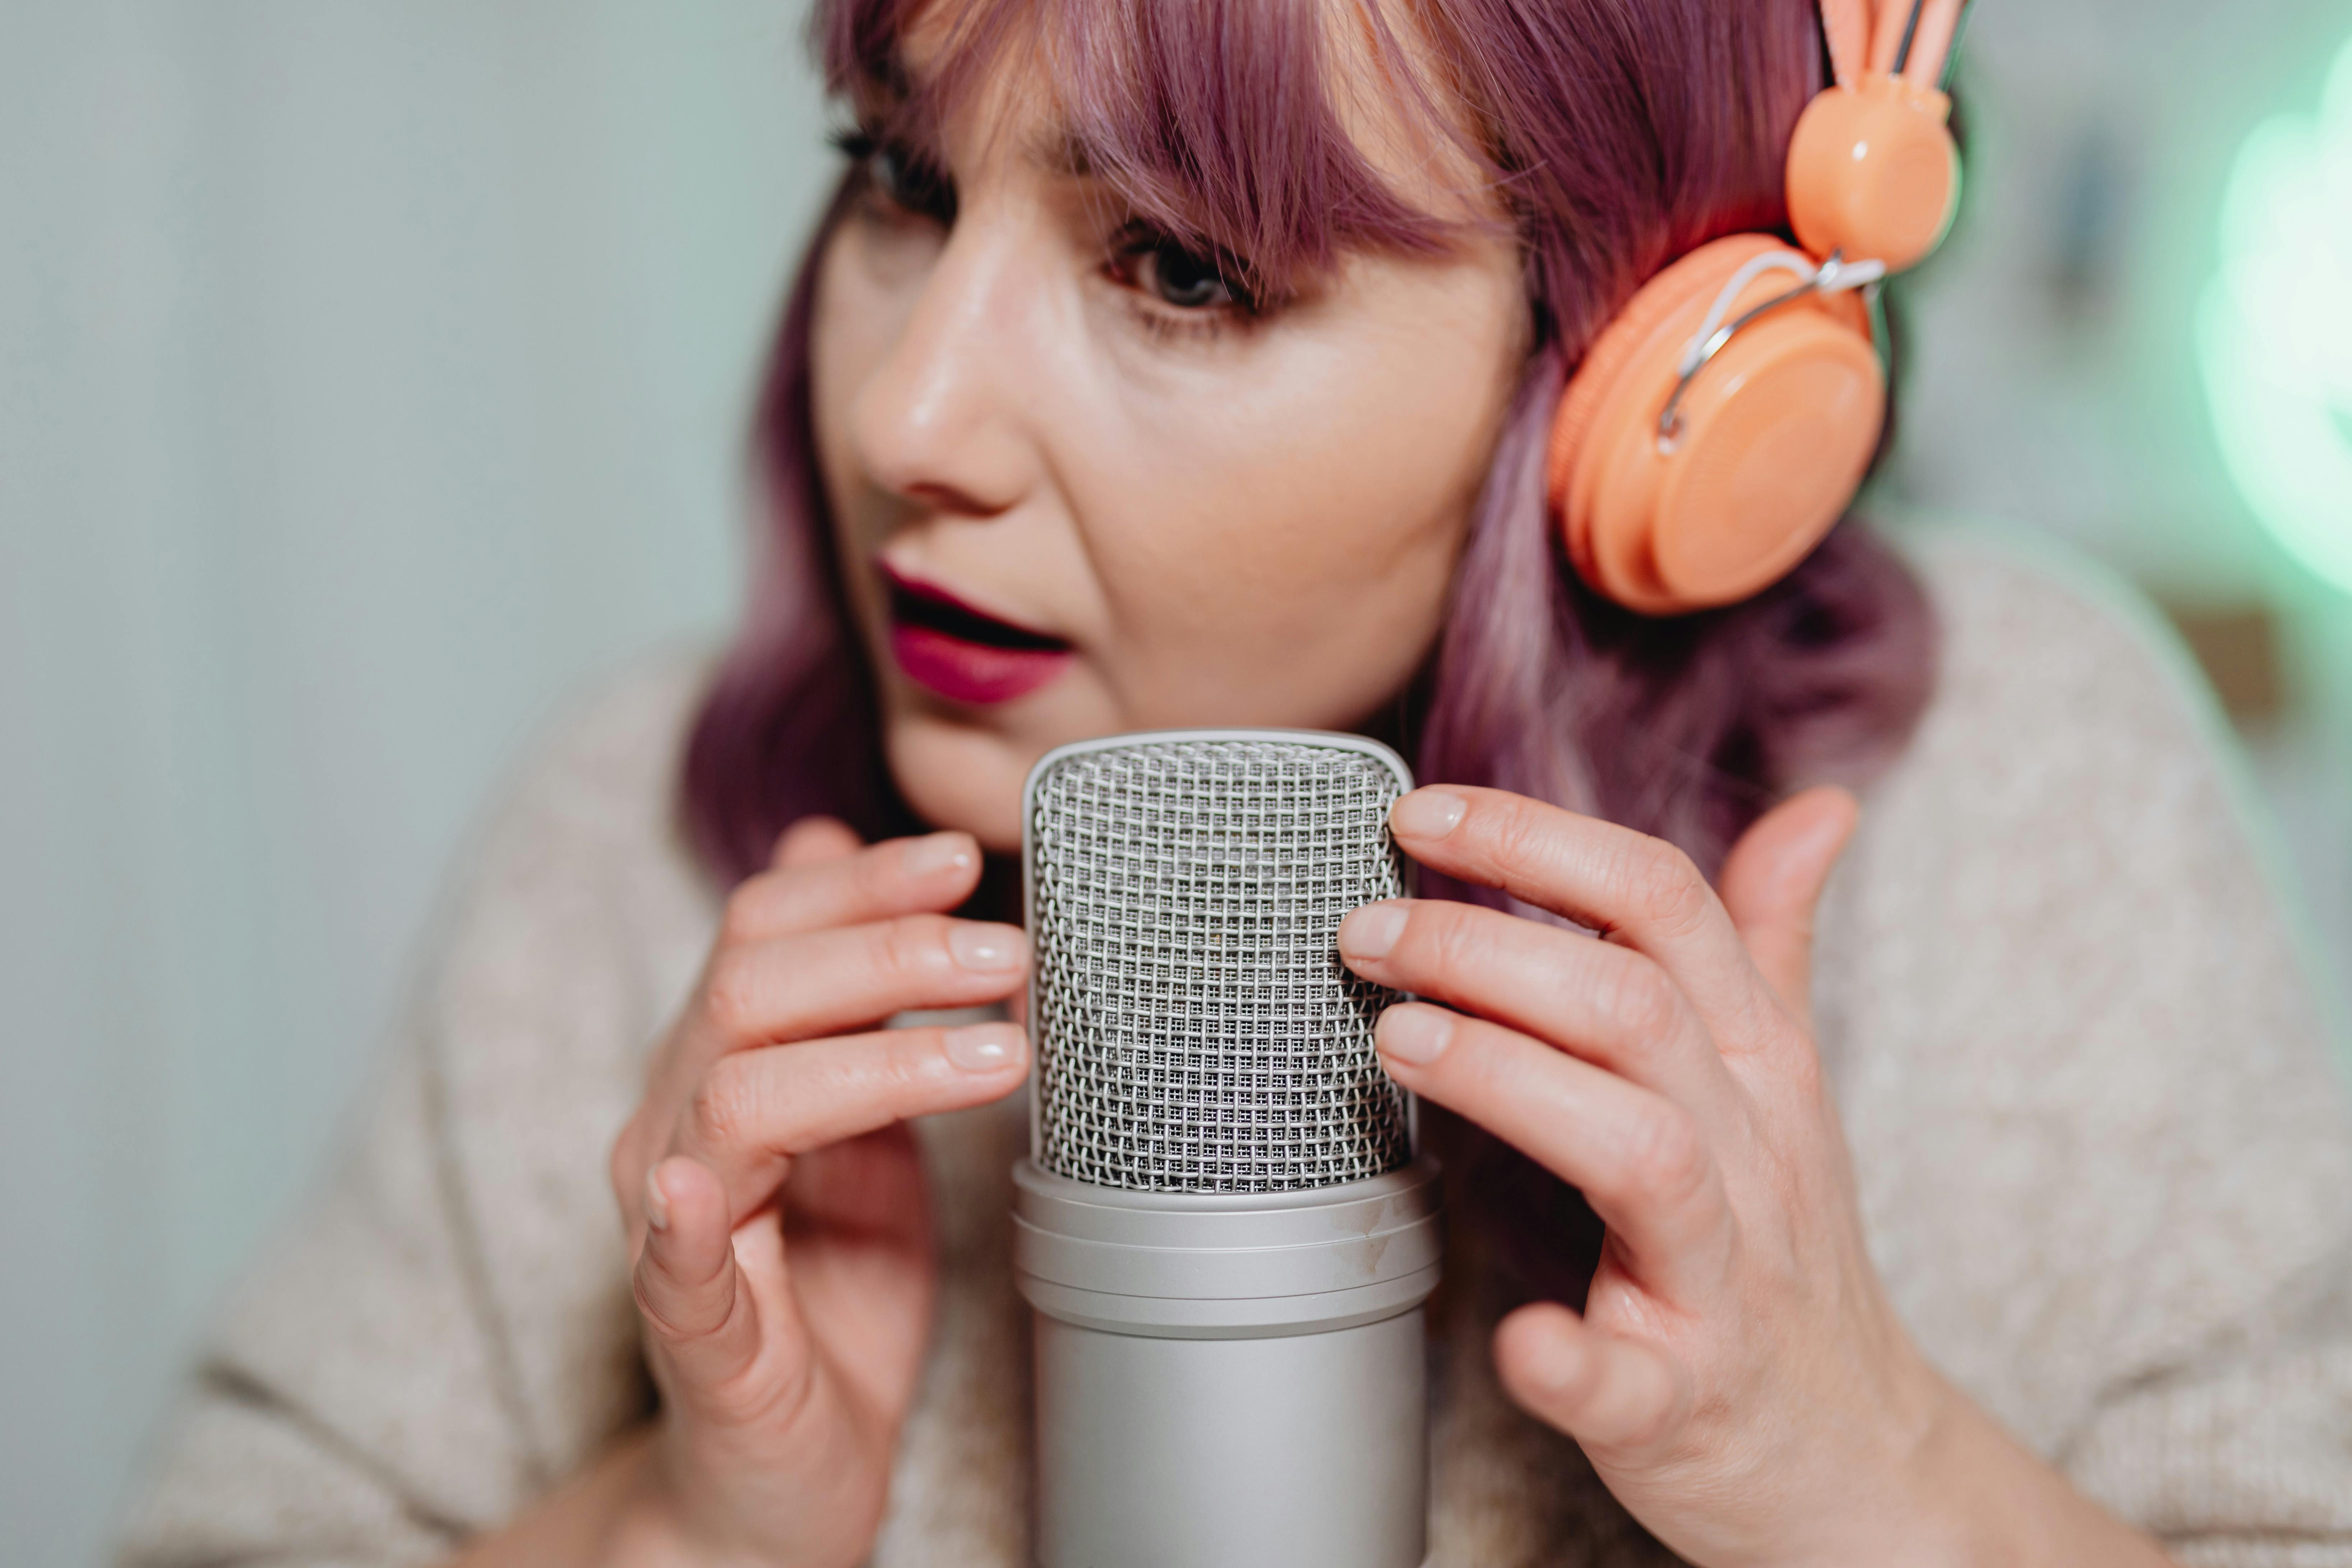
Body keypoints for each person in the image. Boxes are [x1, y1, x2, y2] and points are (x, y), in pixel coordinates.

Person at [120, 0, 2352, 1564]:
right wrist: (684, 1535)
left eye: (1177, 267)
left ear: (1625, 384)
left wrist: (1869, 1481)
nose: (914, 416)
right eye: (897, 178)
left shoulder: (2011, 802)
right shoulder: (639, 848)